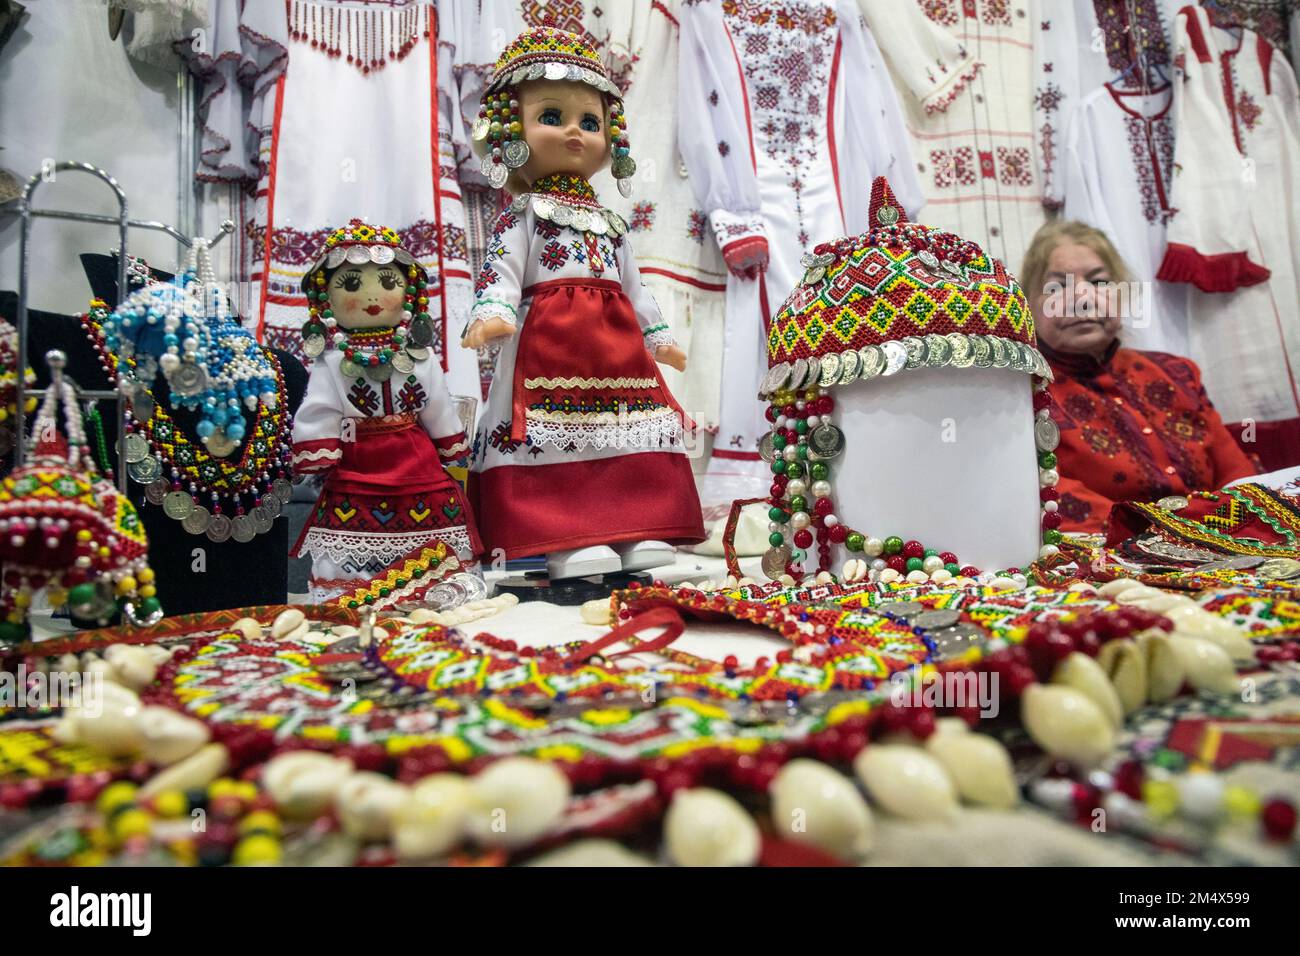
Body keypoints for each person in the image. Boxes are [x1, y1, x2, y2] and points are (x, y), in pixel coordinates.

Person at [1021, 220, 1257, 533]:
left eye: (1100, 283)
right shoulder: (1024, 393)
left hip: (1221, 548)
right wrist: (1168, 531)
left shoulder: (1177, 374)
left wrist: (1221, 530)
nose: (1083, 299)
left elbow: (1237, 477)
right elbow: (1047, 492)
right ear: (1029, 304)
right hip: (1106, 563)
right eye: (1057, 287)